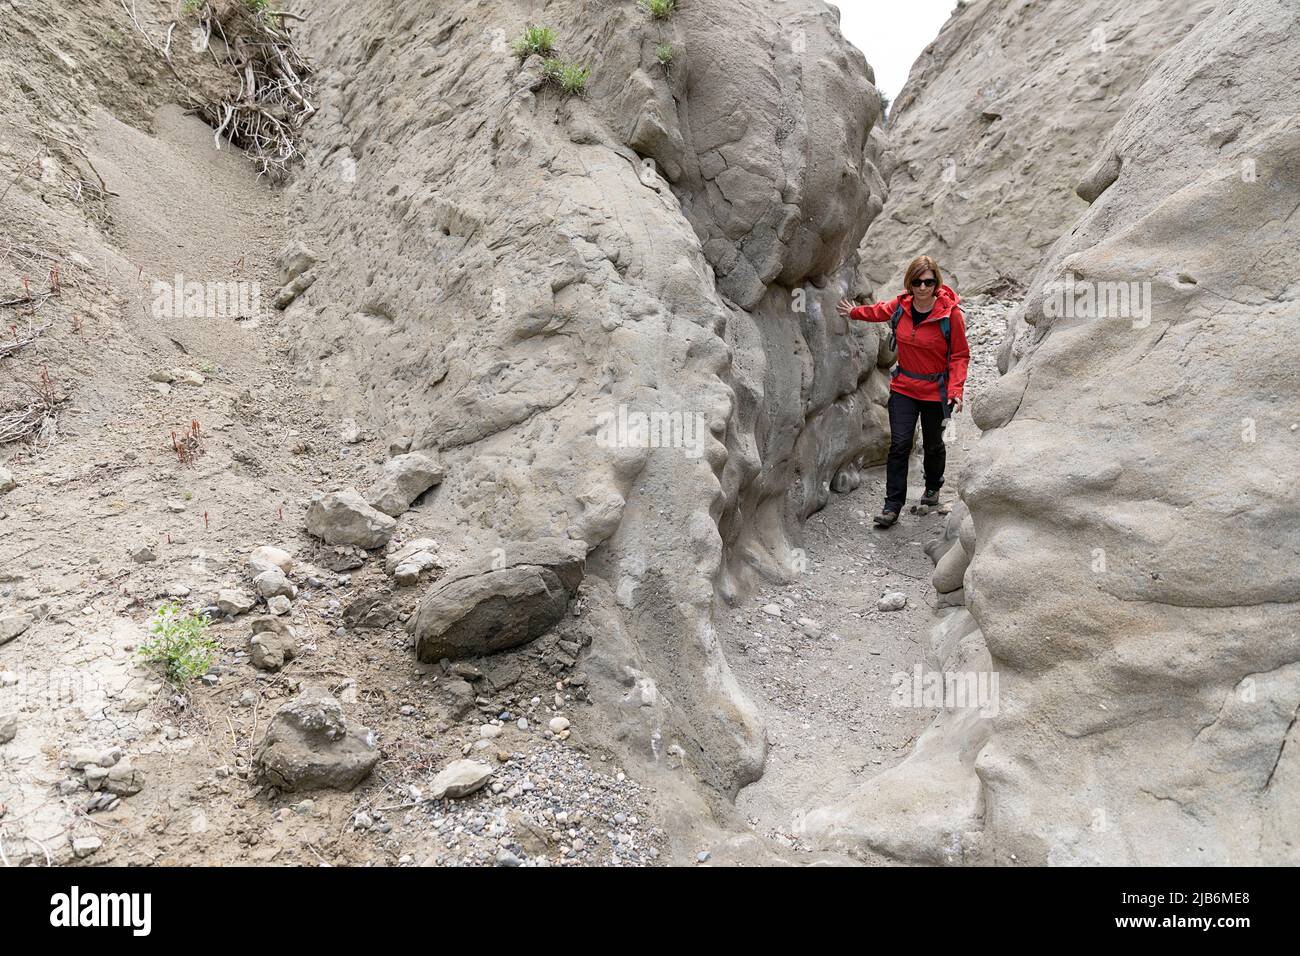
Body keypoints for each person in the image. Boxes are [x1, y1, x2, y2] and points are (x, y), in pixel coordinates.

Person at [836, 255, 970, 528]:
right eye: (917, 282)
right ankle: (892, 505)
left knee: (934, 444)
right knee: (899, 445)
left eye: (929, 282)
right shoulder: (901, 306)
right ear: (910, 283)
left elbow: (959, 355)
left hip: (936, 392)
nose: (923, 287)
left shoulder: (950, 315)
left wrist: (956, 389)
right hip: (905, 388)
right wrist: (853, 312)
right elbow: (878, 311)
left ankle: (932, 488)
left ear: (936, 284)